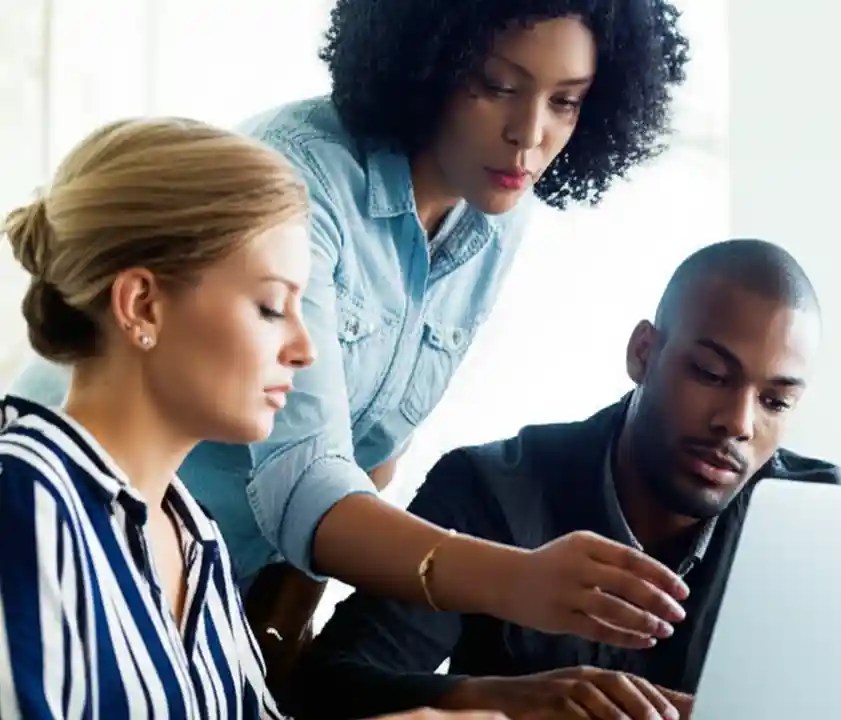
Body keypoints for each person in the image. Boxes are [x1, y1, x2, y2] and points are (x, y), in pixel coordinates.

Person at [6, 0, 696, 686]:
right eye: (496, 86)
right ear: (430, 62)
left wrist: (283, 631)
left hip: (197, 573)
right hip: (89, 536)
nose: (530, 135)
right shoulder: (301, 181)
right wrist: (515, 580)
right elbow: (307, 477)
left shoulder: (495, 207)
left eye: (566, 102)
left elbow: (369, 454)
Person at [286, 239, 841, 719]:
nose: (738, 422)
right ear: (644, 354)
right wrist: (503, 702)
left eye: (776, 401)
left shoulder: (811, 512)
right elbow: (326, 687)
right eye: (711, 374)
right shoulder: (491, 490)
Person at [0, 119, 506, 719]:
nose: (305, 349)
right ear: (142, 304)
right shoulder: (24, 501)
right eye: (270, 307)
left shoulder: (197, 540)